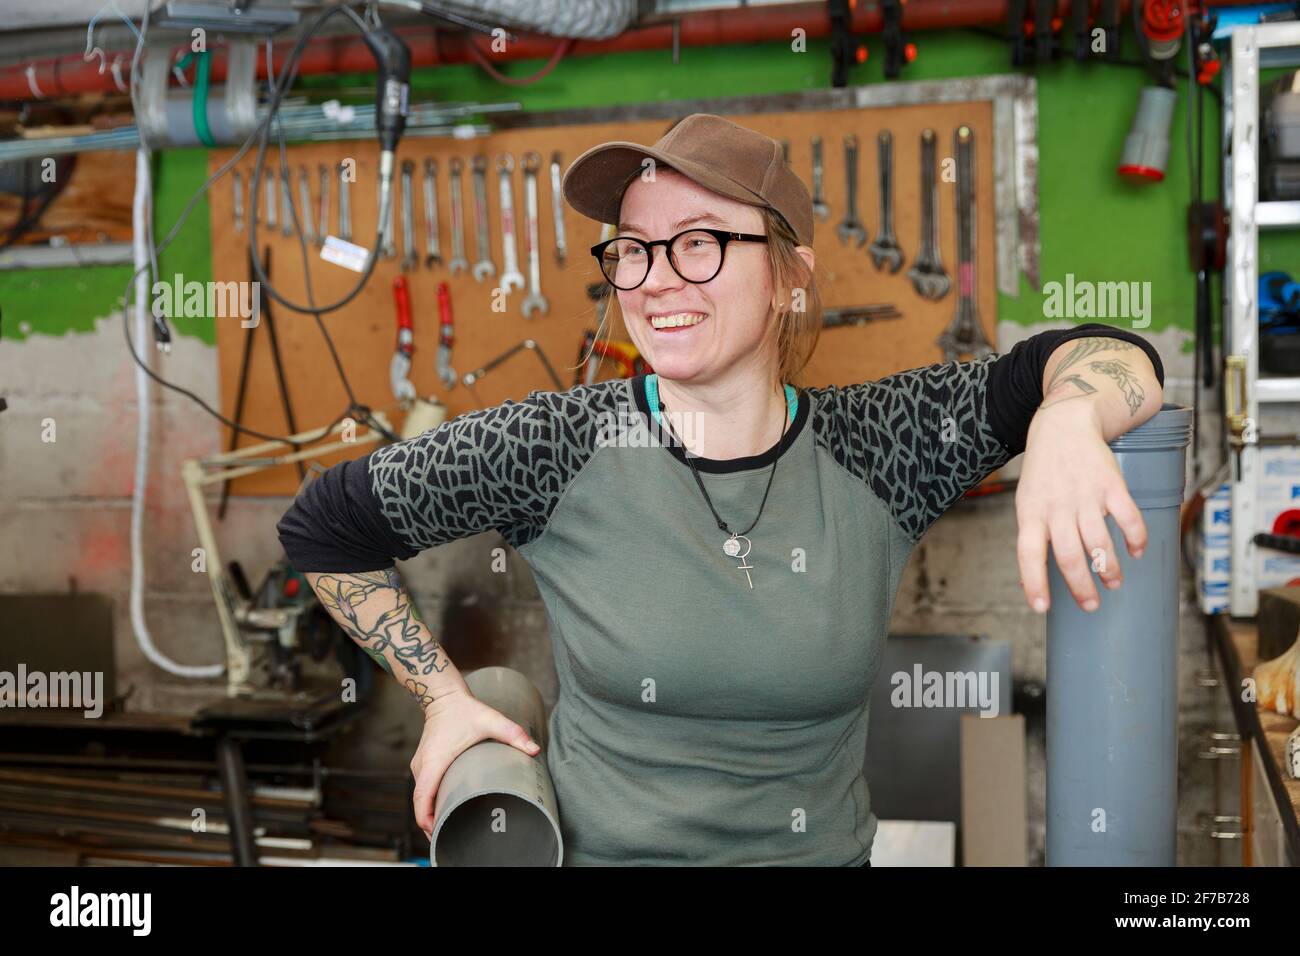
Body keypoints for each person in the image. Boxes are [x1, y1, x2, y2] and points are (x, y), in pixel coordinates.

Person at [277, 113, 1165, 866]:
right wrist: (441, 696)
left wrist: (1066, 418)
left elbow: (1115, 355)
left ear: (787, 276)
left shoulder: (879, 446)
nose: (655, 277)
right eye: (632, 249)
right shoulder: (558, 444)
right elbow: (324, 525)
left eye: (698, 243)